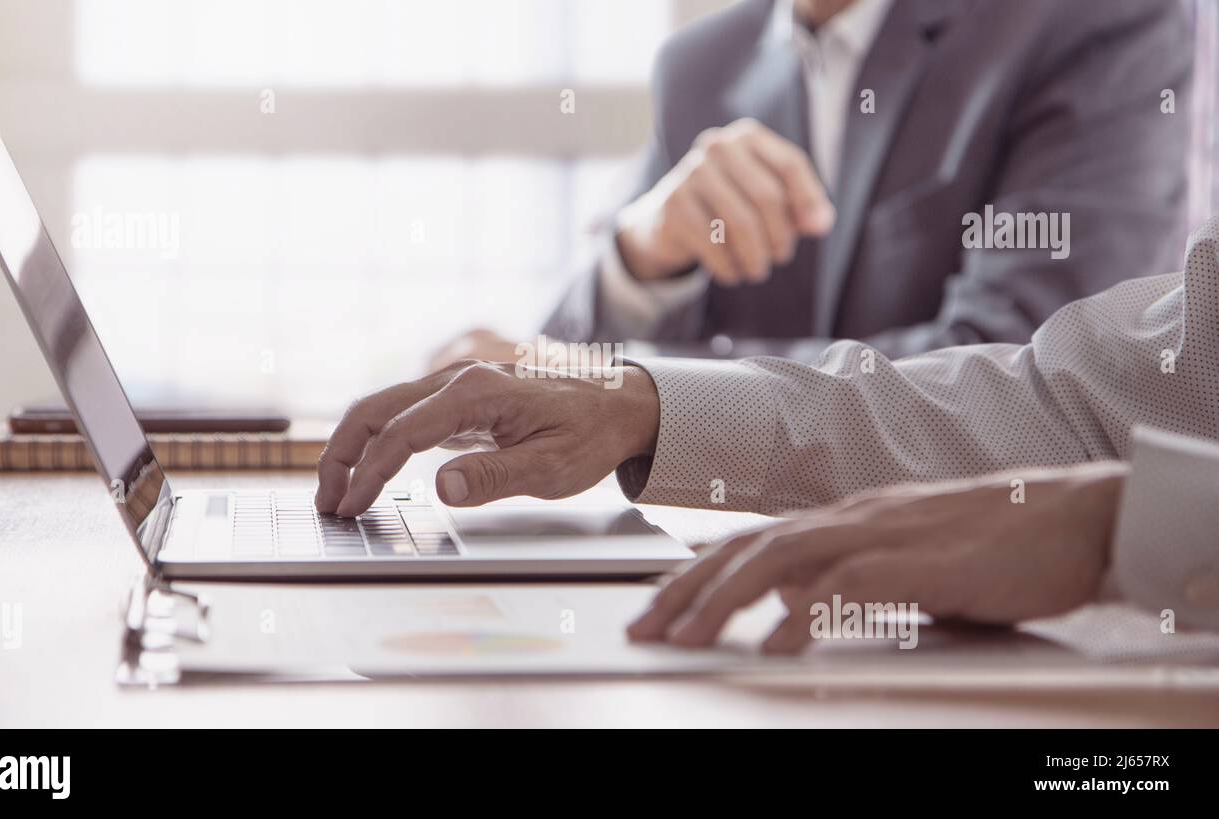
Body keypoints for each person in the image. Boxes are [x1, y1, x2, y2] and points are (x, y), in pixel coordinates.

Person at [317, 218, 1219, 643]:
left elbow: (1006, 345)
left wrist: (1132, 525)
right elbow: (1070, 404)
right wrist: (644, 400)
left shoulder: (1085, 21)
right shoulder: (709, 59)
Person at [434, 0, 1192, 368]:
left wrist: (629, 384)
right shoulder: (702, 64)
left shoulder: (1094, 20)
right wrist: (640, 254)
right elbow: (553, 389)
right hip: (712, 591)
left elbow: (1031, 376)